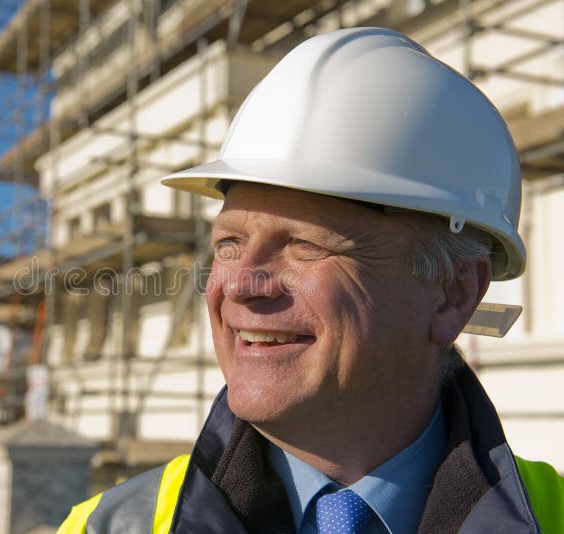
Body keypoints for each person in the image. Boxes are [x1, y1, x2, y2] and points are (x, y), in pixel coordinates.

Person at [58, 27, 564, 533]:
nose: (238, 285)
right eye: (229, 244)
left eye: (305, 245)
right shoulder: (106, 526)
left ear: (453, 293)